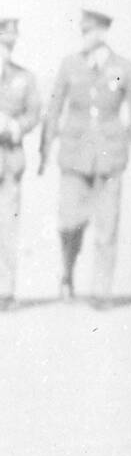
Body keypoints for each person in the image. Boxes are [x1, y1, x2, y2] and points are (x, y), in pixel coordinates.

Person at [40, 8, 131, 307]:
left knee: (107, 225)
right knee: (69, 222)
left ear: (101, 33)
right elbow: (54, 108)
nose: (84, 37)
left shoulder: (125, 68)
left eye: (88, 32)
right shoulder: (69, 65)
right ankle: (67, 273)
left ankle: (102, 291)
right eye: (82, 32)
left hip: (110, 157)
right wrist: (45, 147)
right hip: (74, 156)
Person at [0, 17, 42, 310]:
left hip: (9, 161)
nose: (5, 50)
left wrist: (16, 126)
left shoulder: (24, 77)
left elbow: (33, 112)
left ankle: (5, 290)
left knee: (7, 227)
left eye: (8, 45)